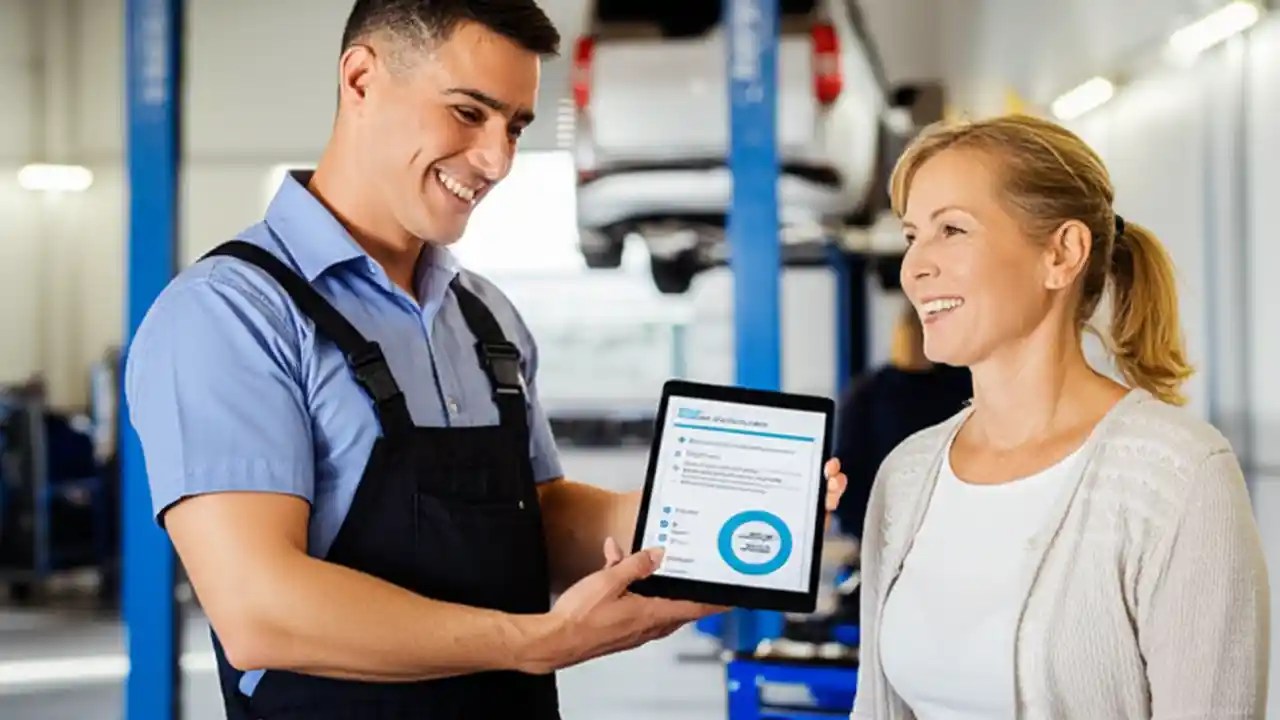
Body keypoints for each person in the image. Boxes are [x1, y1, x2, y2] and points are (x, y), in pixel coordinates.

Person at [123, 2, 848, 719]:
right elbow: (259, 612)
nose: (498, 159)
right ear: (361, 80)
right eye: (469, 113)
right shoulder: (231, 316)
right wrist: (533, 641)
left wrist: (707, 516)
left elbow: (537, 513)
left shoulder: (483, 315)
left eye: (517, 126)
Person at [849, 114, 1269, 719]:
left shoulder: (1177, 477)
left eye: (952, 230)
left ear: (1062, 253)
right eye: (914, 234)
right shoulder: (908, 475)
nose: (915, 266)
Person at [831, 300, 971, 541]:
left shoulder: (869, 391)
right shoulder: (966, 387)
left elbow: (849, 477)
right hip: (946, 529)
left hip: (895, 533)